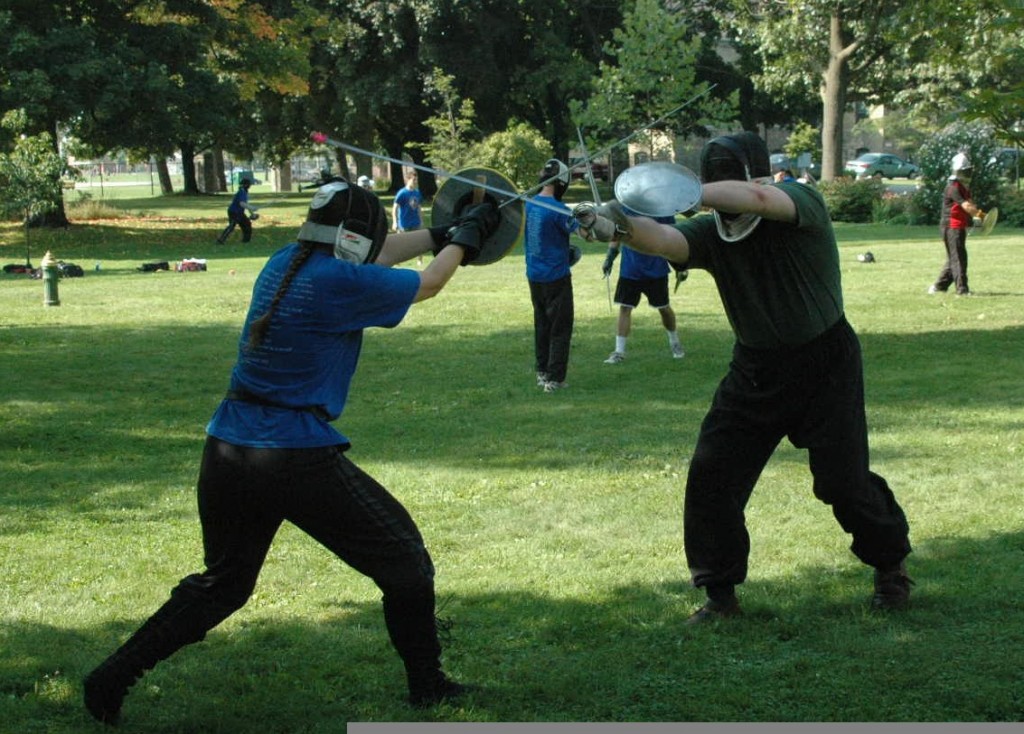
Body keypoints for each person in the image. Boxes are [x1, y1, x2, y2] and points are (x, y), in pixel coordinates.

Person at [83, 177, 501, 724]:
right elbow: (427, 285)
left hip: (229, 445)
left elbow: (384, 251)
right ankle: (428, 686)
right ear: (353, 238)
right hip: (292, 456)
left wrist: (444, 229)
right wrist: (465, 241)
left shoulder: (287, 259)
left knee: (224, 583)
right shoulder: (335, 282)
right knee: (405, 565)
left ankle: (112, 675)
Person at [575, 132, 913, 623]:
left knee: (843, 481)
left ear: (760, 174)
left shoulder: (799, 201)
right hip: (755, 370)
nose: (717, 193)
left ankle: (890, 568)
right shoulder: (713, 233)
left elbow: (757, 198)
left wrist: (685, 190)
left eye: (722, 182)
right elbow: (667, 240)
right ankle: (720, 595)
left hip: (826, 363)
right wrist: (615, 224)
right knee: (713, 476)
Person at [524, 158, 580, 393]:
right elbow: (583, 230)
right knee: (560, 327)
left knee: (542, 324)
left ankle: (542, 372)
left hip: (534, 275)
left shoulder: (529, 204)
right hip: (556, 275)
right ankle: (555, 379)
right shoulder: (560, 211)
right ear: (562, 182)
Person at [600, 215, 685, 364]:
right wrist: (610, 256)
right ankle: (619, 351)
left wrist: (681, 264)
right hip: (630, 269)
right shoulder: (626, 208)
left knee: (663, 308)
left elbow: (674, 237)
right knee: (625, 308)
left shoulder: (661, 209)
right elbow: (617, 233)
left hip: (656, 269)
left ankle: (675, 342)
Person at [929, 152, 981, 296]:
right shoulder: (953, 187)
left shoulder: (963, 187)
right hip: (951, 226)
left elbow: (970, 204)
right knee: (958, 258)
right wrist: (980, 217)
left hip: (958, 226)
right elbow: (966, 206)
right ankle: (962, 290)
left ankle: (939, 287)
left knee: (955, 257)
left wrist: (979, 217)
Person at [216, 177, 258, 244]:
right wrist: (252, 207)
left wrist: (252, 213)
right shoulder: (241, 192)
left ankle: (246, 241)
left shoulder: (244, 192)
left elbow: (245, 204)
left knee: (247, 224)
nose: (249, 186)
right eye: (248, 185)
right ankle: (221, 240)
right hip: (234, 212)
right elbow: (242, 204)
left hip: (240, 213)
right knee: (232, 226)